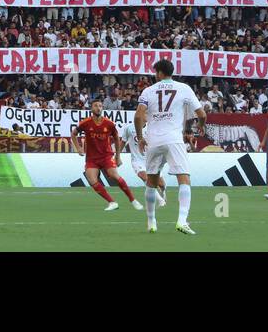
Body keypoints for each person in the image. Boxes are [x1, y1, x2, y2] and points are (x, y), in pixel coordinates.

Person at [134, 58, 205, 235]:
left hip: (154, 141)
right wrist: (201, 125)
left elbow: (138, 117)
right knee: (184, 178)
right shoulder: (184, 88)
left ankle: (151, 222)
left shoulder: (148, 91)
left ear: (159, 73)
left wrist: (141, 137)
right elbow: (201, 114)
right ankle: (182, 221)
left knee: (151, 183)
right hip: (173, 139)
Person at [71, 100, 139, 212]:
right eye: (95, 106)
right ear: (91, 109)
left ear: (102, 108)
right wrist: (78, 148)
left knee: (115, 176)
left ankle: (132, 200)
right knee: (92, 180)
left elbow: (117, 139)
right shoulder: (85, 123)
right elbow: (74, 133)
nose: (98, 108)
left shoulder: (109, 124)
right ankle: (112, 202)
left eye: (100, 106)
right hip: (92, 158)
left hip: (106, 156)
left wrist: (118, 156)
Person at [121, 120, 165, 207]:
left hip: (152, 160)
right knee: (145, 177)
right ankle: (160, 200)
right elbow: (123, 141)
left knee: (161, 185)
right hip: (137, 160)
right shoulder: (129, 128)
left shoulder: (153, 127)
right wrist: (116, 155)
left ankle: (163, 194)